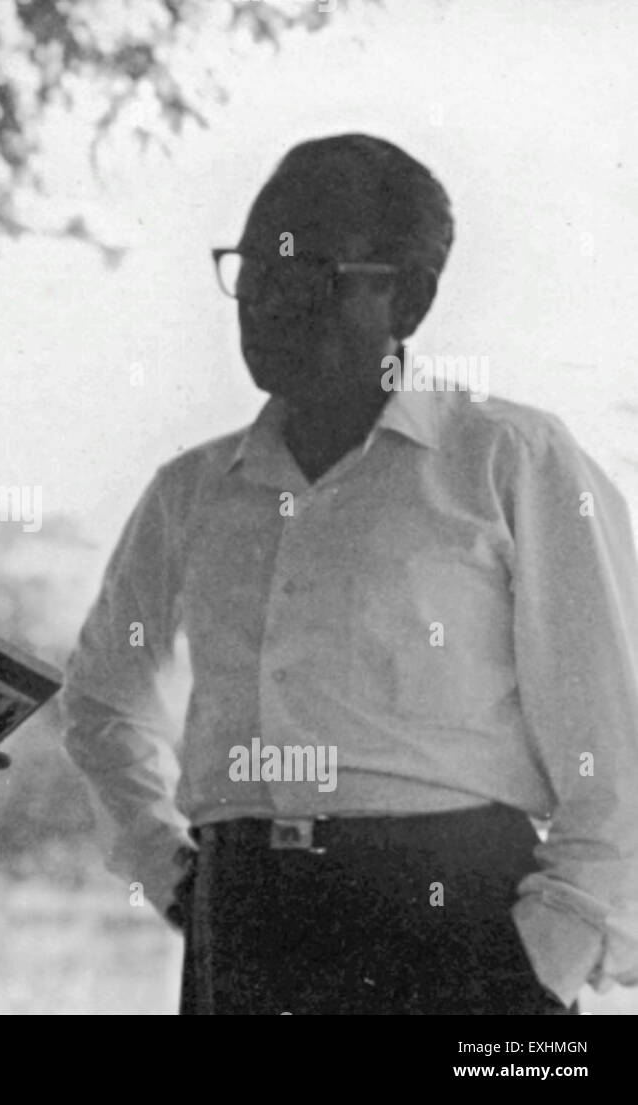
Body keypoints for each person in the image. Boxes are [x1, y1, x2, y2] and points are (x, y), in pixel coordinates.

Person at [62, 133, 638, 1015]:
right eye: (251, 271)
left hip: (466, 931)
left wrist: (545, 957)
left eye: (302, 275)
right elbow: (104, 697)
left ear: (408, 297)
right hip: (246, 928)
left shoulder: (510, 461)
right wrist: (171, 870)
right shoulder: (192, 492)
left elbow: (617, 738)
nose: (263, 302)